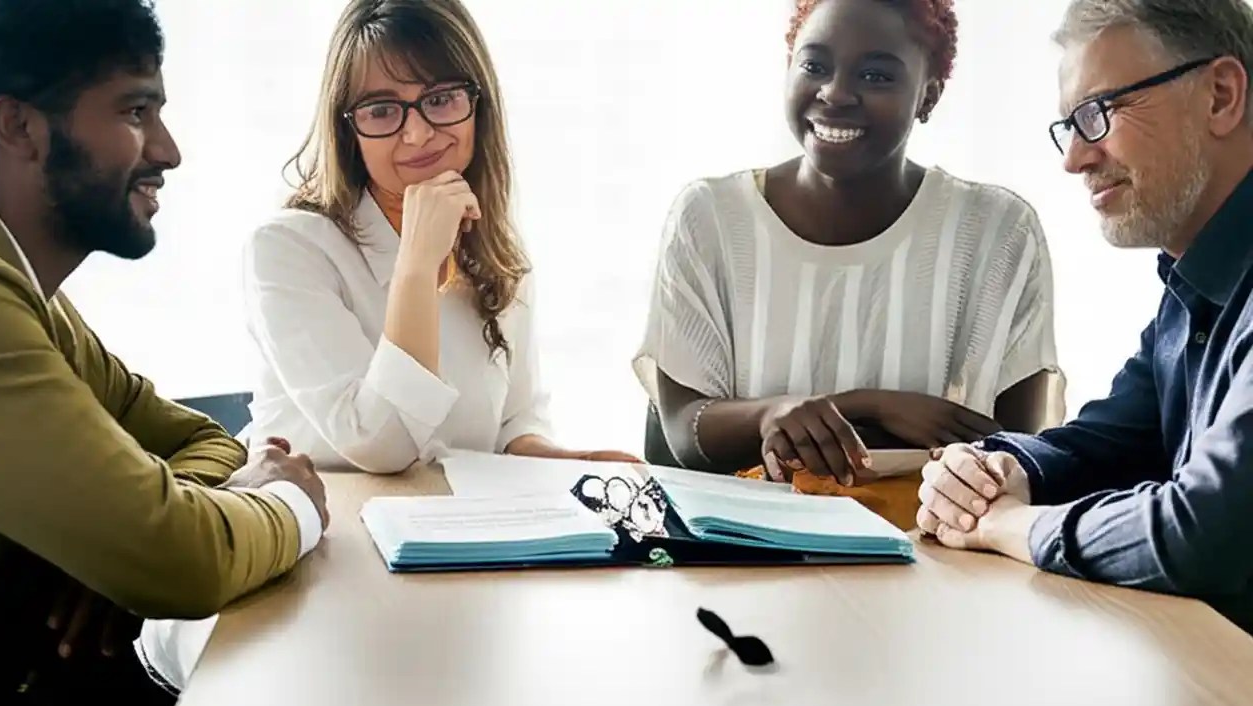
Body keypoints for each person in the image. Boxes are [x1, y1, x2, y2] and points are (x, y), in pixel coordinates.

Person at [0, 0, 329, 706]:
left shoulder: (35, 305)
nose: (167, 151)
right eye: (136, 112)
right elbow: (180, 560)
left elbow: (198, 441)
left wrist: (126, 535)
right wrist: (290, 501)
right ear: (19, 127)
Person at [635, 0, 1063, 519]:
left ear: (929, 94)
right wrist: (859, 407)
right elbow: (683, 431)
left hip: (929, 556)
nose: (834, 93)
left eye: (876, 75)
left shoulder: (996, 231)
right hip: (744, 553)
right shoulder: (709, 218)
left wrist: (796, 424)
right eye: (814, 65)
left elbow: (1014, 456)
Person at [918, 0, 1253, 634]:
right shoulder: (1192, 289)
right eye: (1068, 124)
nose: (1074, 158)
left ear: (1220, 96)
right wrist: (996, 472)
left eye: (1098, 114)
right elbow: (1106, 445)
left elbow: (1206, 531)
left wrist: (1007, 525)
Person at [241, 0, 639, 474]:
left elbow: (513, 423)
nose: (416, 134)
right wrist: (418, 260)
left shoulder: (497, 253)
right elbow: (381, 444)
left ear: (478, 105)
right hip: (333, 531)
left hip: (457, 533)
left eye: (440, 99)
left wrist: (574, 463)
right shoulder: (288, 248)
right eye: (382, 110)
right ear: (349, 130)